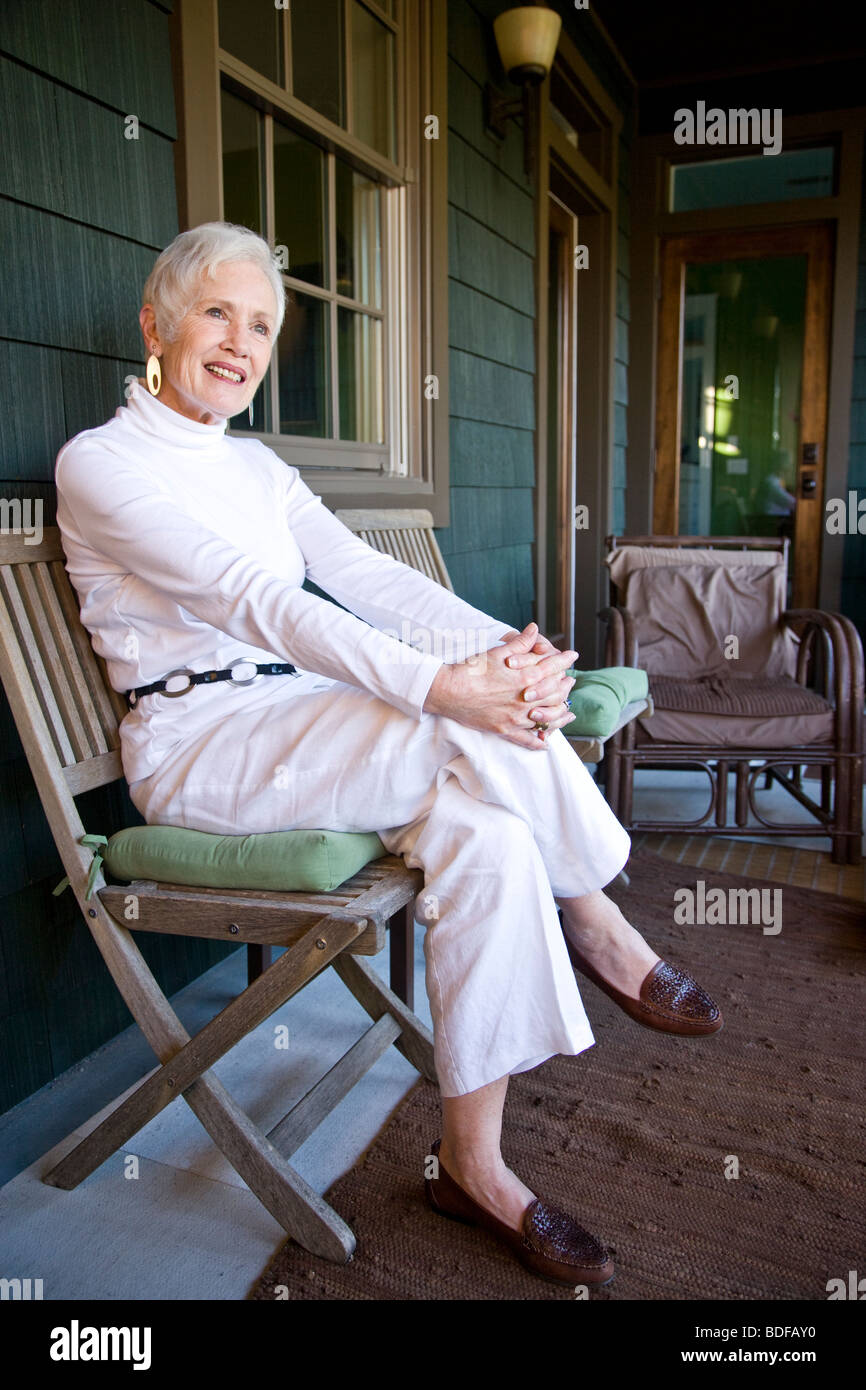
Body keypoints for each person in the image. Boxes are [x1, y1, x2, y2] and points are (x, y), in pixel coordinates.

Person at [55, 223, 722, 1289]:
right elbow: (255, 601)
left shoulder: (257, 466)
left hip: (304, 723)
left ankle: (472, 1164)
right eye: (217, 313)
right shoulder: (99, 464)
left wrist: (505, 647)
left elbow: (368, 580)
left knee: (490, 832)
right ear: (158, 323)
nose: (238, 343)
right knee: (451, 719)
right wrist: (443, 686)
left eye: (261, 325)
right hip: (199, 747)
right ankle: (593, 911)